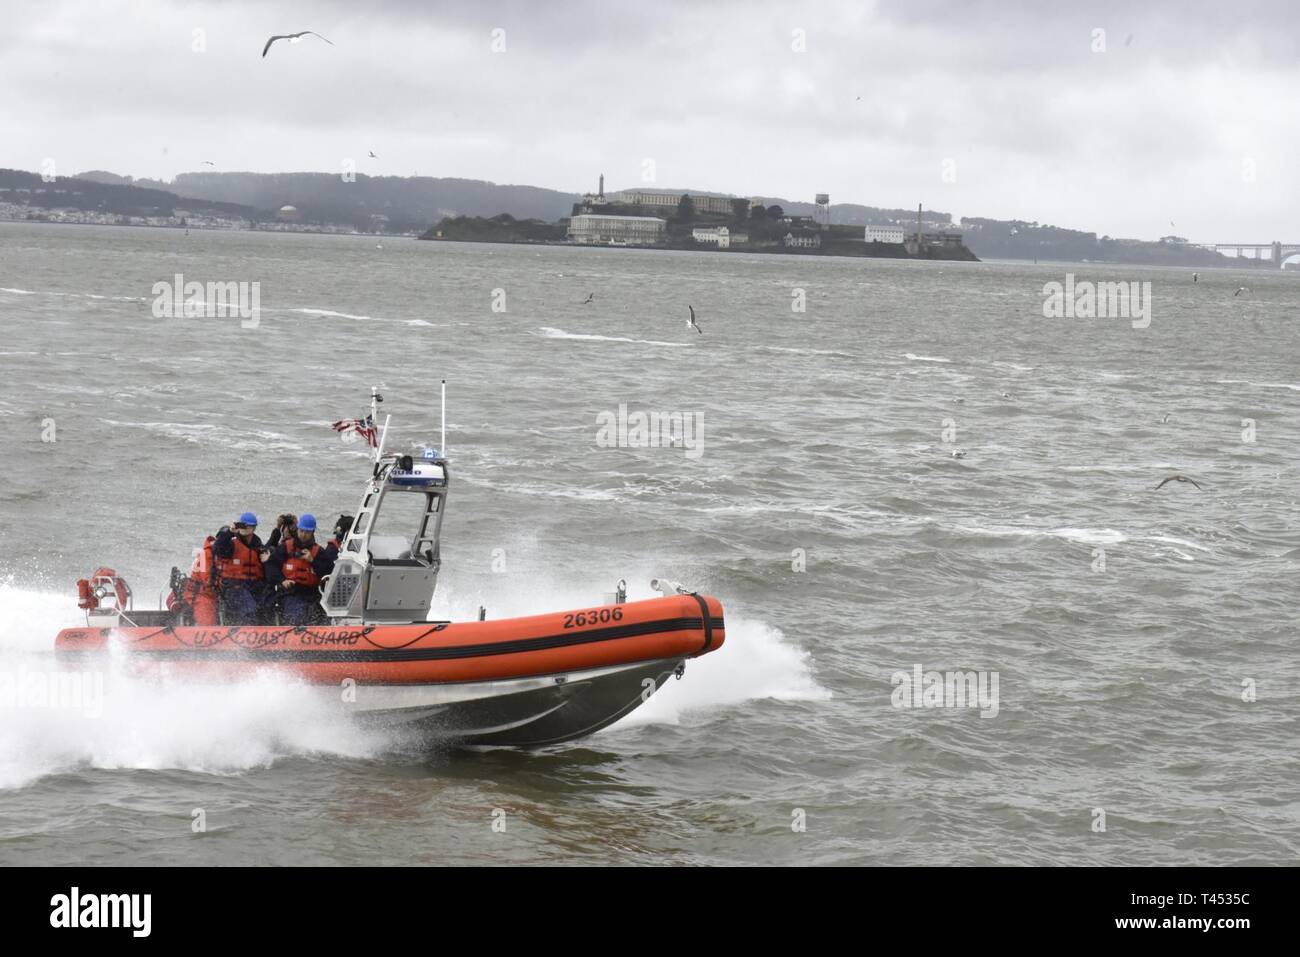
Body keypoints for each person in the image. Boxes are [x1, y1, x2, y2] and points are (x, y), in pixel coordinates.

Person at [267, 513, 337, 625]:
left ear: (312, 532)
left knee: (321, 618)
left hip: (312, 594)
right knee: (297, 614)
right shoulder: (285, 547)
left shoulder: (319, 552)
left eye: (307, 532)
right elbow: (271, 566)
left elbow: (329, 573)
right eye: (302, 531)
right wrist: (282, 580)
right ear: (298, 530)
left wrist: (312, 561)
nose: (303, 535)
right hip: (290, 592)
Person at [212, 512, 266, 625]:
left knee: (265, 607)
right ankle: (245, 637)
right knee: (249, 610)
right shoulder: (231, 543)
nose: (245, 529)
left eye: (248, 526)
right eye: (243, 526)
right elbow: (217, 548)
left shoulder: (258, 546)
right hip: (234, 586)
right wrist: (230, 532)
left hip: (255, 586)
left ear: (254, 527)